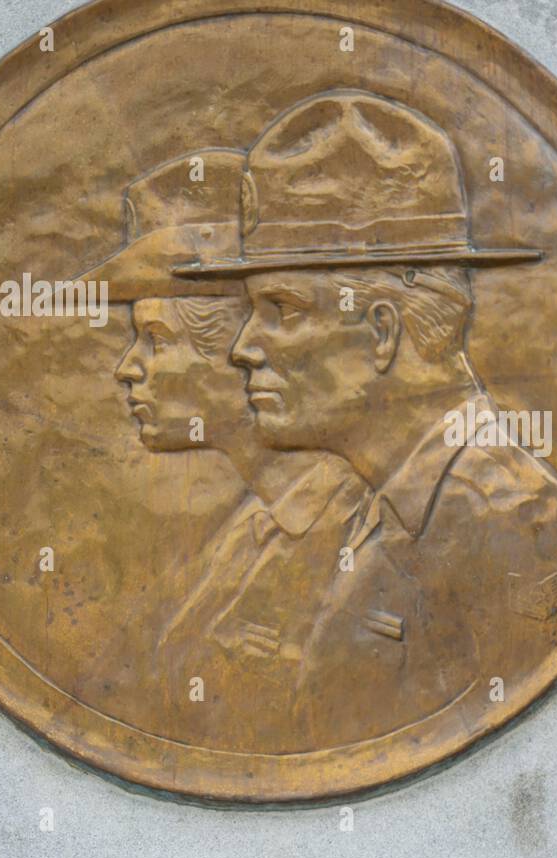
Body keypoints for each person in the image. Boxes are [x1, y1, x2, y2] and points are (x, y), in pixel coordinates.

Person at [174, 89, 557, 750]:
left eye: (281, 309)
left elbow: (532, 753)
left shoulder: (514, 524)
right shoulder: (381, 509)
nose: (244, 345)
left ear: (380, 331)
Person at [78, 149, 367, 751]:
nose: (129, 369)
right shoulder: (253, 530)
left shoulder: (361, 533)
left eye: (155, 340)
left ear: (242, 347)